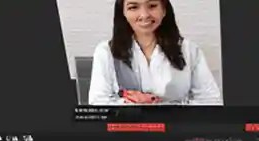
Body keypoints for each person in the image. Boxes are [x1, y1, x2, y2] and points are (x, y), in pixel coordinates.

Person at [87, 0, 223, 106]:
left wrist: (158, 105)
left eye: (152, 5)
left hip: (176, 133)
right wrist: (132, 104)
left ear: (164, 9)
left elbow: (211, 101)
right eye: (133, 7)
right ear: (122, 11)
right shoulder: (105, 51)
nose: (144, 15)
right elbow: (98, 104)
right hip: (126, 135)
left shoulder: (188, 50)